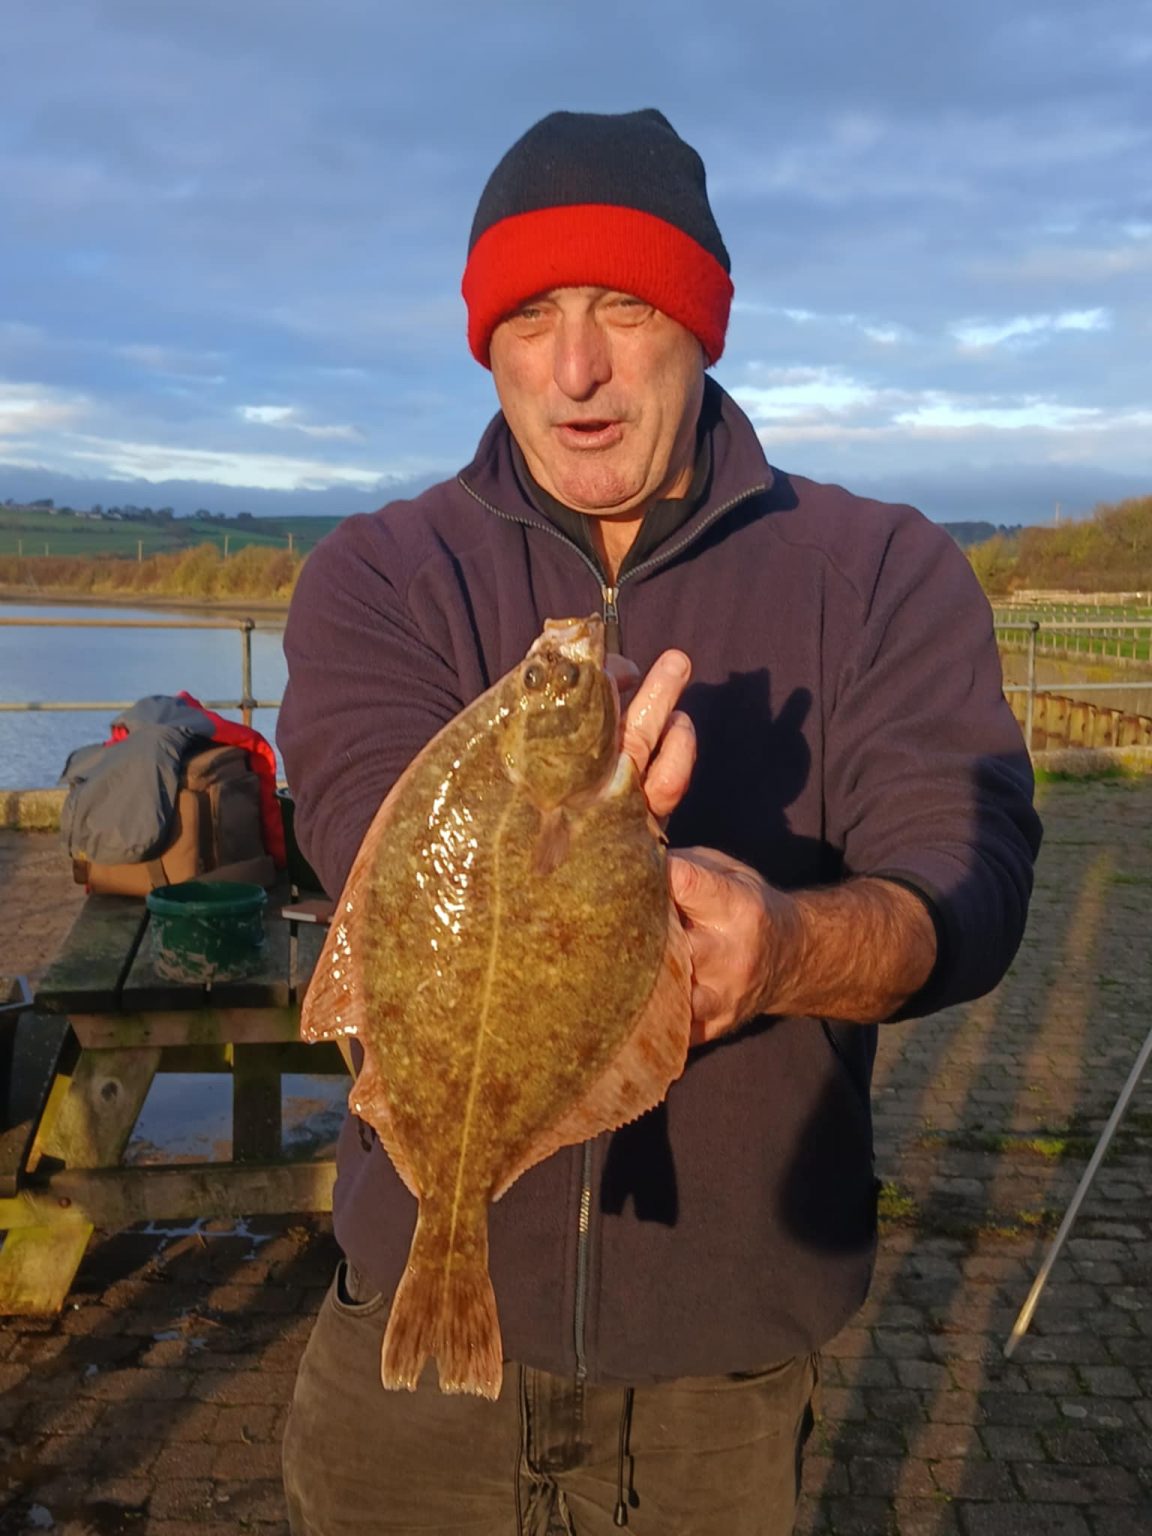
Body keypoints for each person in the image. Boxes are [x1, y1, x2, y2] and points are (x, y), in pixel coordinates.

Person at [277, 108, 1041, 1536]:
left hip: (721, 1382)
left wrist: (785, 949)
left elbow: (969, 875)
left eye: (625, 309)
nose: (576, 370)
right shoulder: (379, 573)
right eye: (529, 317)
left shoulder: (880, 571)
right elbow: (357, 824)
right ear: (484, 344)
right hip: (411, 1353)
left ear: (702, 326)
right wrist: (558, 839)